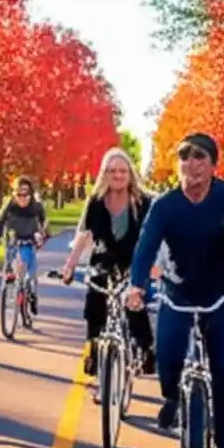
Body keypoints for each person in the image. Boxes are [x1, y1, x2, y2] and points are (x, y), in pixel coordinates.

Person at [126, 132, 224, 448]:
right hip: (178, 294)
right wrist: (136, 285)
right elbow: (146, 248)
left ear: (213, 165)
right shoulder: (165, 205)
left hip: (221, 296)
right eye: (185, 158)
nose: (191, 166)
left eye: (200, 158)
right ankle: (174, 398)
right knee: (168, 360)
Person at [61, 147, 159, 399]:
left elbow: (155, 237)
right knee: (95, 303)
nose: (118, 175)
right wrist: (70, 265)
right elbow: (84, 236)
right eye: (113, 170)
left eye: (123, 171)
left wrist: (155, 266)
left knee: (134, 304)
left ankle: (146, 350)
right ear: (105, 173)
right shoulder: (96, 201)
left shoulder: (144, 201)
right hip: (104, 260)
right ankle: (94, 352)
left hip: (135, 262)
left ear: (131, 174)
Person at [0, 176, 48, 314]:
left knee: (31, 274)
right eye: (18, 194)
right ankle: (9, 287)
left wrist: (40, 234)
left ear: (31, 194)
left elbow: (43, 223)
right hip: (13, 240)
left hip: (29, 240)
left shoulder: (36, 207)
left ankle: (31, 295)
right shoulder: (10, 205)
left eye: (25, 194)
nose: (22, 198)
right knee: (10, 265)